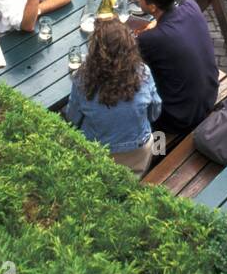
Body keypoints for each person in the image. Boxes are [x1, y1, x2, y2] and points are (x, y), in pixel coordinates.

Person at [66, 19, 162, 178]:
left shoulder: (82, 79)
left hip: (98, 154)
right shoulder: (143, 72)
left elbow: (72, 119)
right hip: (138, 154)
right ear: (129, 47)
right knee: (159, 139)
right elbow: (155, 112)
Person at [134, 0, 219, 141]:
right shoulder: (191, 6)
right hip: (209, 95)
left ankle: (149, 150)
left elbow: (136, 67)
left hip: (178, 117)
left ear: (152, 7)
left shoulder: (149, 39)